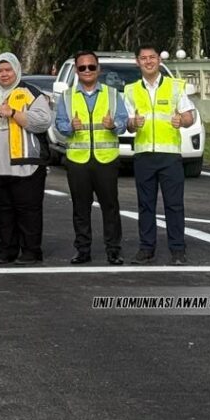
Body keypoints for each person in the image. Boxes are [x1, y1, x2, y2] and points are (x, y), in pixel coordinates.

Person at [54, 50, 128, 265]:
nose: (87, 70)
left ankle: (113, 250)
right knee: (80, 208)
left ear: (98, 69)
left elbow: (123, 121)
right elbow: (59, 124)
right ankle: (82, 250)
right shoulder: (67, 96)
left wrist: (113, 125)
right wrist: (70, 127)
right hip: (78, 160)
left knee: (110, 207)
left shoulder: (112, 94)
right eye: (82, 67)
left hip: (106, 159)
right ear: (76, 71)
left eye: (91, 67)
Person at [0, 52, 52, 264]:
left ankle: (31, 251)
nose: (4, 74)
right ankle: (7, 249)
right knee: (3, 210)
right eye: (0, 70)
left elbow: (43, 121)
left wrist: (13, 113)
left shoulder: (30, 93)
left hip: (26, 163)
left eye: (8, 70)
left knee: (28, 210)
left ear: (17, 70)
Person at [124, 45, 196, 265]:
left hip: (169, 156)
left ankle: (178, 250)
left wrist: (182, 120)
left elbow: (190, 116)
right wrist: (133, 123)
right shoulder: (131, 90)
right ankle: (146, 249)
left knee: (174, 205)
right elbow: (127, 123)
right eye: (143, 58)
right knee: (145, 205)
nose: (148, 62)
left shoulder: (175, 86)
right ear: (137, 62)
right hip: (144, 155)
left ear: (159, 60)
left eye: (152, 57)